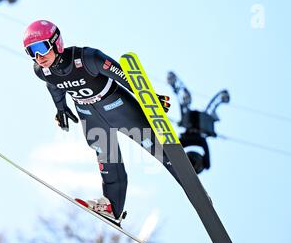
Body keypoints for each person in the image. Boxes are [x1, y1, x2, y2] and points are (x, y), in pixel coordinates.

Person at [24, 20, 184, 225]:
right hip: (88, 114)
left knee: (155, 146)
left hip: (116, 105)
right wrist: (61, 109)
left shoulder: (88, 58)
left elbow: (124, 75)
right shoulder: (41, 71)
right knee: (106, 158)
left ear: (56, 43)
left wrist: (148, 97)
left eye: (41, 48)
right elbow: (54, 86)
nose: (38, 56)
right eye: (31, 52)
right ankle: (112, 207)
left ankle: (190, 185)